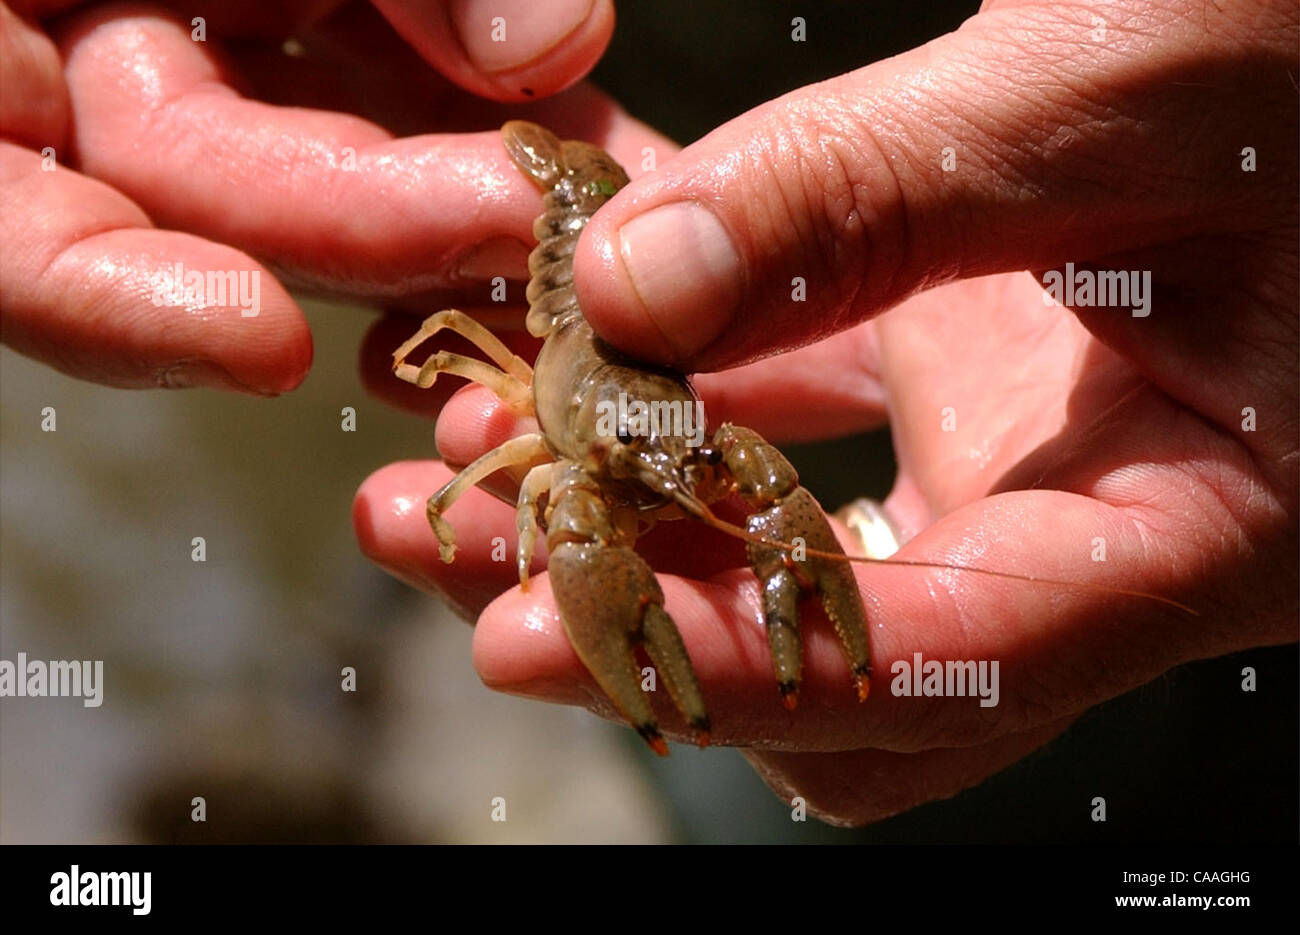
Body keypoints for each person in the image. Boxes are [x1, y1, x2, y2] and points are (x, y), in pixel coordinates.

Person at [4, 0, 1294, 826]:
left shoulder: (692, 437)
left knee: (996, 714)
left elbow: (744, 465)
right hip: (630, 184)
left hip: (858, 207)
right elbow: (472, 401)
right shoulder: (535, 385)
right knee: (721, 703)